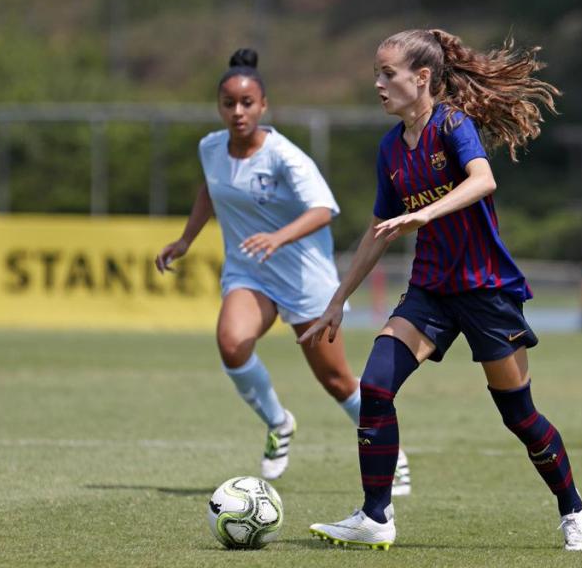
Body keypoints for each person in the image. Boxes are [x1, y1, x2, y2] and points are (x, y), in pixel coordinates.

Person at [300, 29, 582, 552]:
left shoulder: (452, 124)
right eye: (377, 73)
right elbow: (377, 231)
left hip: (485, 290)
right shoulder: (391, 147)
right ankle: (375, 516)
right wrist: (337, 300)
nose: (378, 83)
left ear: (422, 78)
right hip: (431, 291)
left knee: (519, 415)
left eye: (387, 74)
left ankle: (573, 509)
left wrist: (425, 211)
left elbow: (483, 180)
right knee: (376, 385)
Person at [155, 48, 410, 493]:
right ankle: (278, 422)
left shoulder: (285, 156)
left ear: (263, 105)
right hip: (249, 273)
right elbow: (209, 192)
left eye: (247, 103)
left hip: (304, 278)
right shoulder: (210, 148)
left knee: (335, 380)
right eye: (229, 103)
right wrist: (185, 240)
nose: (238, 111)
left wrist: (277, 238)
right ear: (219, 106)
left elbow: (323, 209)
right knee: (232, 344)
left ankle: (391, 452)